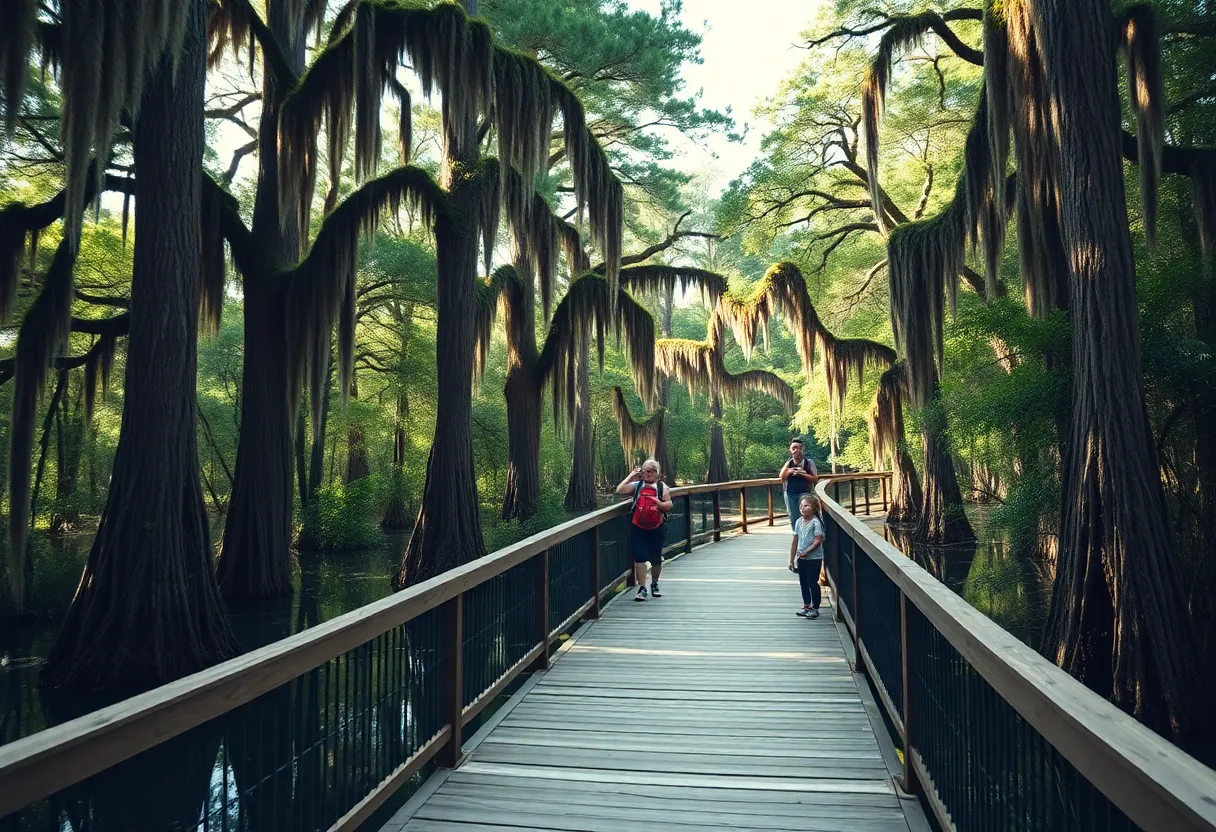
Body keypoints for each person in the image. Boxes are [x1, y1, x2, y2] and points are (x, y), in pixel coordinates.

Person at [615, 459, 673, 601]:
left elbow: (670, 504)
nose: (647, 473)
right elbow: (619, 490)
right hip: (638, 526)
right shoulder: (637, 485)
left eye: (651, 471)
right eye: (645, 470)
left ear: (657, 473)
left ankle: (654, 583)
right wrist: (631, 476)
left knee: (656, 559)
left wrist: (660, 504)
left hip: (656, 527)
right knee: (640, 557)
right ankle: (642, 588)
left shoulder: (662, 487)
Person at [788, 495, 825, 618]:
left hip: (814, 558)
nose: (802, 508)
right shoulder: (798, 522)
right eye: (801, 506)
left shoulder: (815, 522)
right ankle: (806, 605)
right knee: (803, 582)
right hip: (801, 558)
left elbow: (818, 540)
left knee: (812, 582)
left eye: (806, 506)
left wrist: (807, 551)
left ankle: (815, 607)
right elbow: (795, 540)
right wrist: (792, 559)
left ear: (814, 509)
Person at [779, 437, 818, 528]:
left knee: (807, 513)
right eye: (794, 448)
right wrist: (790, 471)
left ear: (803, 450)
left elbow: (815, 479)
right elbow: (781, 477)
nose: (797, 450)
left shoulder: (809, 463)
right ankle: (796, 535)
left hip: (805, 493)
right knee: (793, 516)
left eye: (799, 448)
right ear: (790, 450)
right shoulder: (789, 463)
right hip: (790, 493)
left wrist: (802, 473)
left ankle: (809, 533)